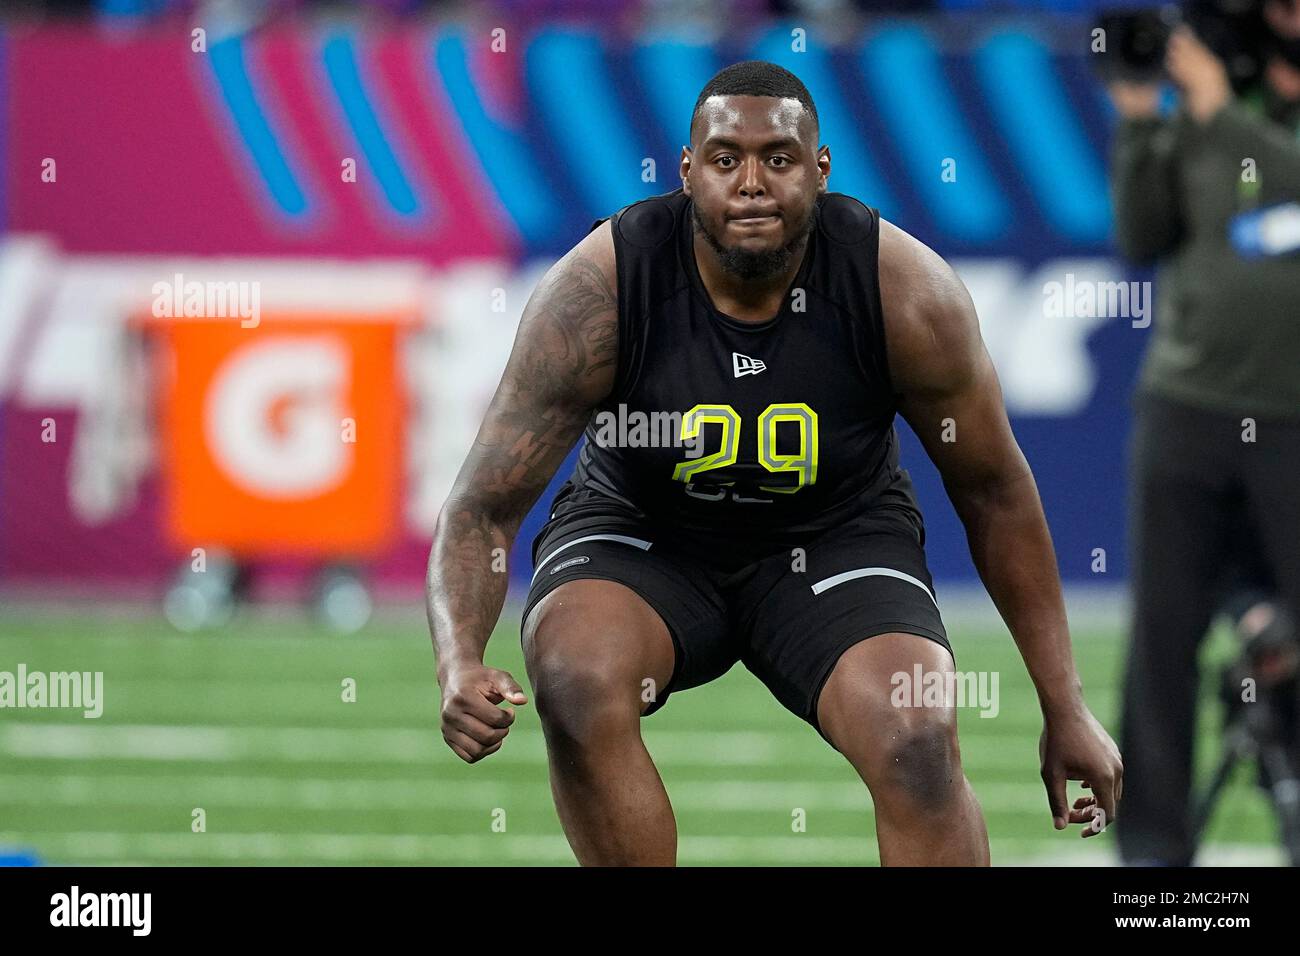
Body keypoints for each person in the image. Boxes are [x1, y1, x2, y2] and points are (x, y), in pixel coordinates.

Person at [427, 61, 1121, 866]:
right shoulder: (601, 288)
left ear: (820, 171)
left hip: (836, 536)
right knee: (577, 680)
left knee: (917, 732)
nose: (751, 183)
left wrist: (1064, 705)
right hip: (644, 534)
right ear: (687, 173)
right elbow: (482, 503)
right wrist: (459, 660)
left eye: (778, 159)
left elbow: (995, 491)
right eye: (726, 159)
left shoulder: (904, 290)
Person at [1107, 7, 1300, 865]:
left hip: (1294, 412)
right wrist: (1143, 120)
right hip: (1186, 401)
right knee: (1162, 633)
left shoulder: (1227, 114)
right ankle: (1152, 849)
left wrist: (1219, 113)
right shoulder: (1206, 111)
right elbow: (1142, 233)